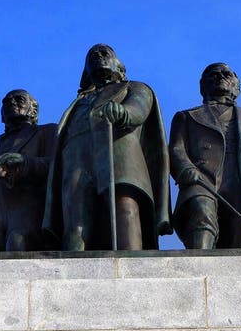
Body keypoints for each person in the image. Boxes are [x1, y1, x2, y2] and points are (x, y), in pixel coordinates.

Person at [43, 44, 171, 251]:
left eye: (105, 54)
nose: (98, 57)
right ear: (85, 72)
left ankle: (130, 270)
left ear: (120, 66)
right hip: (77, 159)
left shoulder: (135, 87)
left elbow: (138, 109)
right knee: (76, 222)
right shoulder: (78, 104)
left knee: (125, 210)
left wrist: (123, 112)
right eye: (92, 56)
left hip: (119, 154)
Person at [169, 63, 241, 249]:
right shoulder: (186, 117)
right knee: (201, 214)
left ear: (237, 86)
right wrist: (186, 168)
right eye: (213, 75)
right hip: (202, 180)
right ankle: (198, 268)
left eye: (227, 74)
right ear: (202, 86)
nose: (220, 77)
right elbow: (176, 149)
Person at [0, 89, 57, 252]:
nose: (11, 103)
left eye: (19, 99)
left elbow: (59, 166)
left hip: (28, 207)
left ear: (33, 110)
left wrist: (24, 163)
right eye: (6, 102)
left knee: (18, 246)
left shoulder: (47, 132)